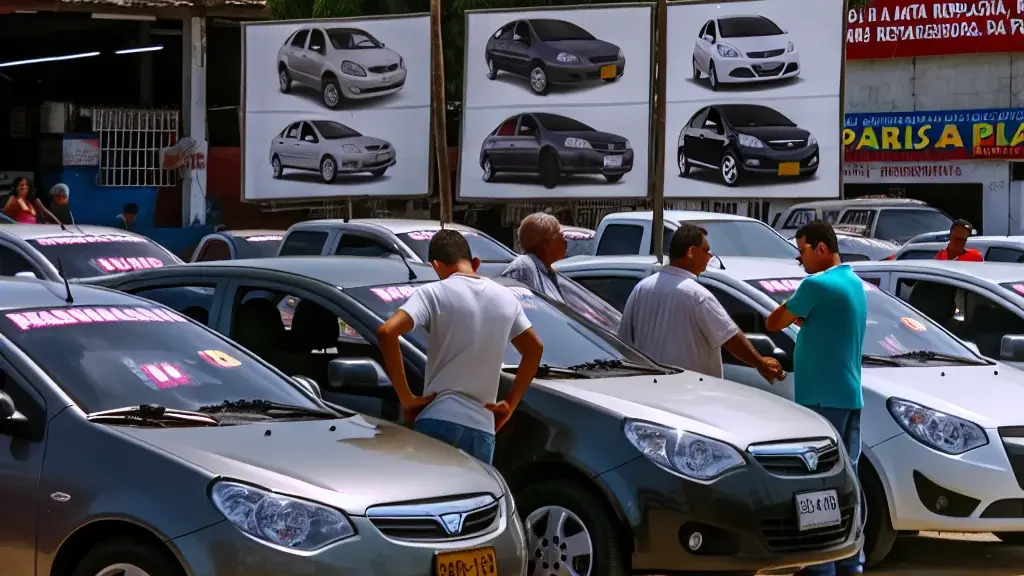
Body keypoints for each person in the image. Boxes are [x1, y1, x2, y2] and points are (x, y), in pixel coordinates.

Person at [376, 229, 544, 465]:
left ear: (434, 265)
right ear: (476, 262)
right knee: (474, 500)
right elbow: (534, 349)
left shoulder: (431, 293)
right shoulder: (506, 298)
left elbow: (386, 332)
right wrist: (509, 405)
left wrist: (407, 398)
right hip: (482, 430)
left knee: (433, 498)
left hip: (438, 420)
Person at [765, 220, 867, 576]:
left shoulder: (817, 284)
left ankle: (822, 565)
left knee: (819, 485)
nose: (800, 258)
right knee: (847, 481)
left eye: (802, 249)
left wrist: (794, 308)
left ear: (821, 248)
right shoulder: (853, 281)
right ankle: (850, 560)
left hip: (822, 400)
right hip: (847, 396)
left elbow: (774, 322)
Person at [618, 223, 783, 382]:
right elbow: (729, 337)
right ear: (691, 252)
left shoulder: (641, 288)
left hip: (649, 389)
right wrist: (760, 363)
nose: (710, 256)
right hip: (693, 391)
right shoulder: (696, 295)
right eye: (706, 251)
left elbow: (623, 340)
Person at [500, 212, 567, 302]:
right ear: (547, 243)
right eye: (560, 238)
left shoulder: (547, 271)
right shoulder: (523, 268)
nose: (565, 242)